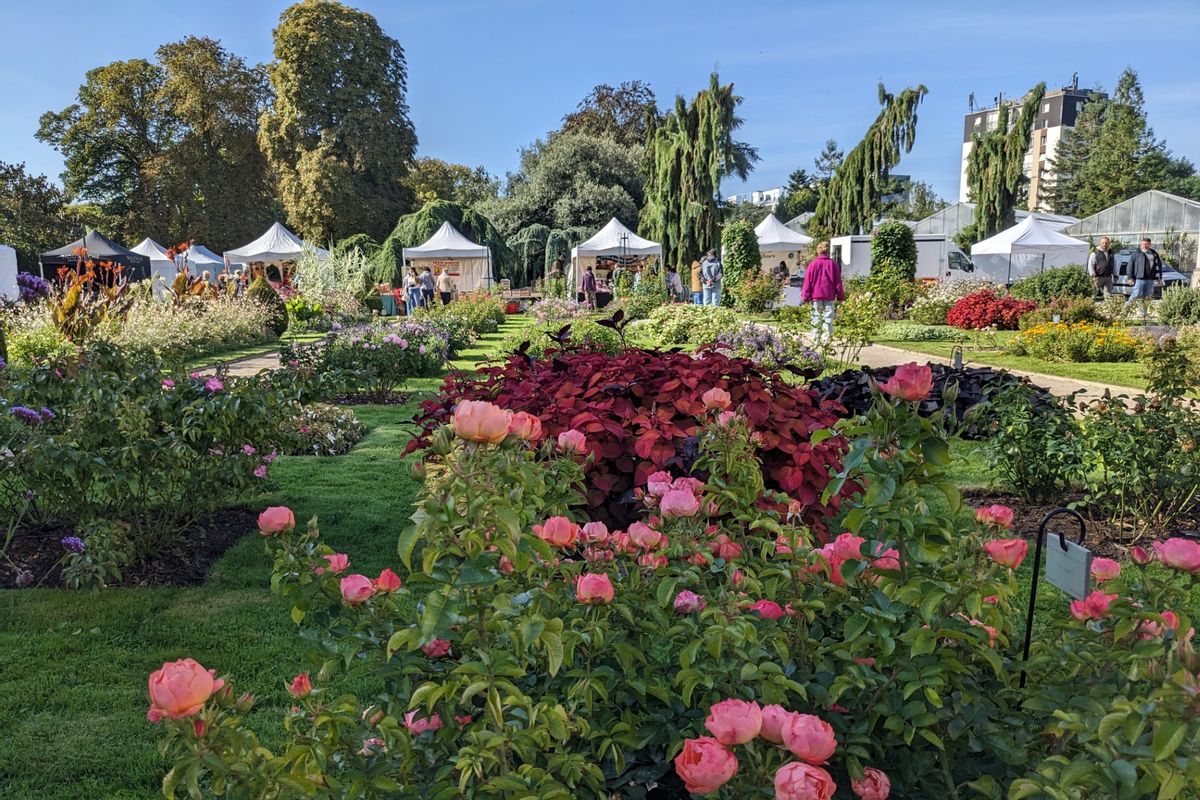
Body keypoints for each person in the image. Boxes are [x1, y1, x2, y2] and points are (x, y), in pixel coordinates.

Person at [800, 241, 844, 345]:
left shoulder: (813, 264)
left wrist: (805, 297)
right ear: (828, 251)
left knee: (816, 318)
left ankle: (816, 339)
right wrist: (840, 297)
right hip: (829, 296)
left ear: (818, 251)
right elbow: (838, 282)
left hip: (816, 296)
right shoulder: (833, 264)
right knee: (828, 319)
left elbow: (807, 282)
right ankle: (826, 340)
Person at [1125, 237, 1163, 318]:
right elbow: (1130, 266)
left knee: (1147, 297)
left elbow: (1158, 266)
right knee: (1136, 294)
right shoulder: (1136, 253)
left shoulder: (1154, 254)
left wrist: (1159, 277)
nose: (1144, 246)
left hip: (1150, 279)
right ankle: (1126, 308)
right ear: (1141, 244)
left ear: (1150, 244)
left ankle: (1143, 314)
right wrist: (1130, 277)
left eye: (1146, 244)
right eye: (1143, 244)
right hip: (1139, 278)